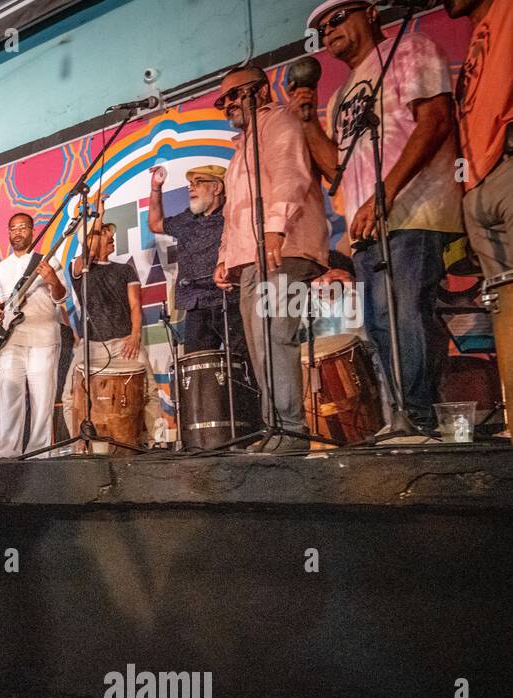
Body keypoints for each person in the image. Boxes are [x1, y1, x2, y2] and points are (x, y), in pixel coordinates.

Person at [295, 0, 464, 429]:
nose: (329, 30)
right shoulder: (339, 97)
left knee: (407, 312)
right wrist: (307, 120)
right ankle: (404, 418)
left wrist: (383, 195)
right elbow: (337, 169)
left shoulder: (409, 49)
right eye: (321, 28)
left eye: (337, 18)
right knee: (379, 322)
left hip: (413, 209)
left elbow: (436, 120)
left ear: (369, 12)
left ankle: (422, 417)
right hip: (366, 225)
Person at [213, 65, 329, 451]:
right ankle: (275, 429)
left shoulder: (279, 120)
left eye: (234, 94)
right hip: (250, 258)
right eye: (222, 100)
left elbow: (290, 174)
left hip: (285, 250)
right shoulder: (241, 147)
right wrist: (225, 257)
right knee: (260, 344)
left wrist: (275, 229)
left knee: (277, 338)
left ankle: (291, 431)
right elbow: (234, 211)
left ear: (261, 91)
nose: (227, 103)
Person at [445, 0, 513, 424]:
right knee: (504, 306)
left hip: (508, 161)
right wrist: (462, 188)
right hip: (477, 186)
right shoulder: (476, 36)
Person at [67, 222, 162, 445]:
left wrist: (135, 335)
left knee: (149, 390)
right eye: (104, 235)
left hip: (122, 340)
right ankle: (78, 446)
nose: (110, 238)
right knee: (71, 396)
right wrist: (98, 215)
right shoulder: (81, 269)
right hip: (90, 344)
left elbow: (135, 306)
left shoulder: (125, 269)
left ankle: (156, 442)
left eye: (111, 235)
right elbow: (87, 249)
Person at [0, 211, 69, 457]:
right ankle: (6, 453)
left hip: (44, 337)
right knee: (9, 398)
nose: (17, 232)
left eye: (23, 228)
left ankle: (39, 453)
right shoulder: (1, 268)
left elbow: (61, 297)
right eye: (13, 228)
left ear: (33, 231)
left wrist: (53, 280)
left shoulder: (48, 261)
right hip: (12, 340)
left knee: (42, 398)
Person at [149, 164, 245, 354]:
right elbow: (155, 223)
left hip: (231, 300)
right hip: (196, 305)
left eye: (199, 182)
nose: (191, 187)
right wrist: (156, 188)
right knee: (198, 367)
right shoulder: (187, 218)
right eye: (190, 184)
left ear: (217, 187)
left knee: (244, 363)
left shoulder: (233, 214)